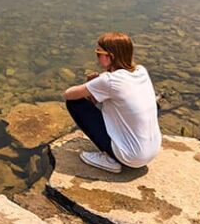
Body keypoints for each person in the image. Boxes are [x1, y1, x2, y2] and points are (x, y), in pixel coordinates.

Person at [63, 32, 161, 174]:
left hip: (131, 157)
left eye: (98, 53)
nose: (97, 57)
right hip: (151, 151)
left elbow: (68, 94)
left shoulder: (109, 81)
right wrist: (95, 87)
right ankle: (119, 149)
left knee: (75, 103)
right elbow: (112, 93)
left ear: (110, 56)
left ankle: (110, 159)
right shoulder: (141, 71)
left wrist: (92, 86)